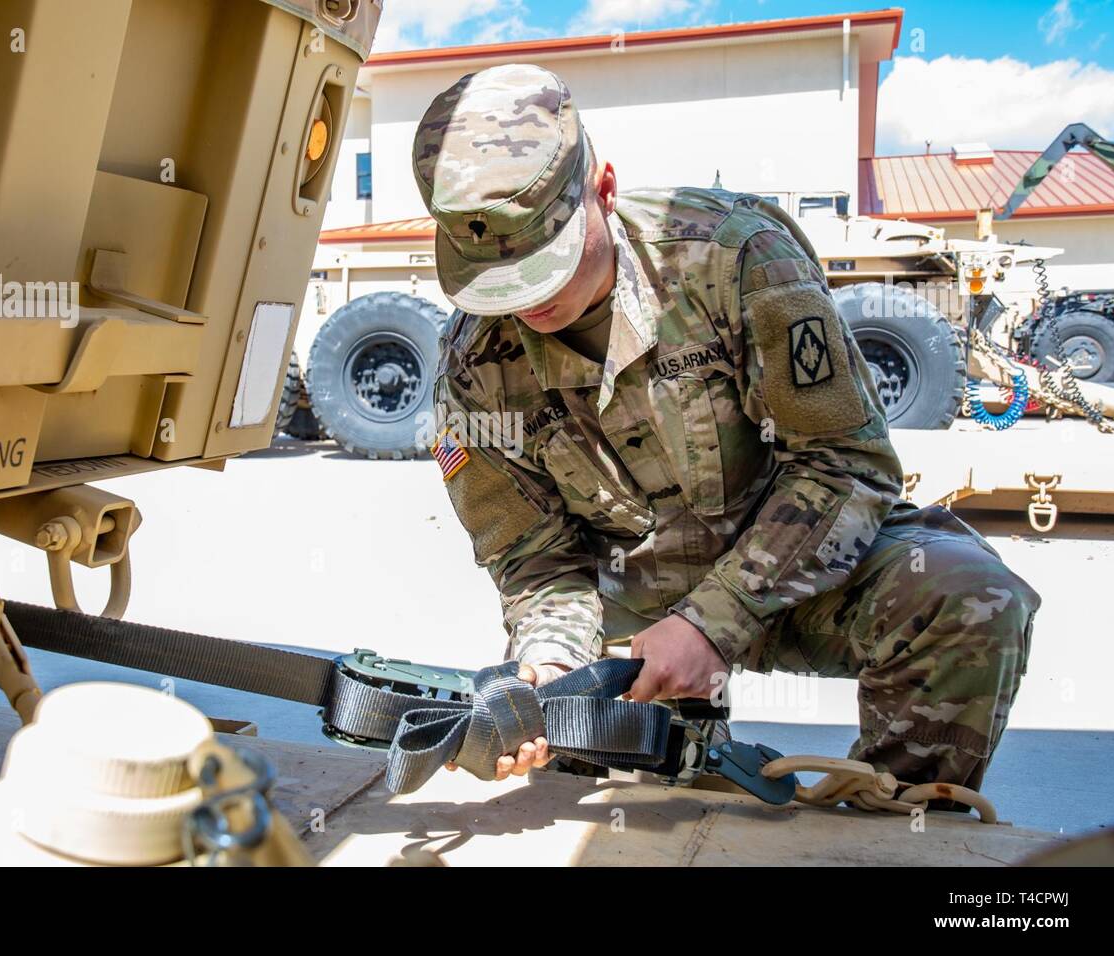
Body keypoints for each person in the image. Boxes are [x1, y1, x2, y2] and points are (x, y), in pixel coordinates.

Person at [416, 63, 1039, 800]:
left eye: (546, 261)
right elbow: (533, 556)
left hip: (788, 567)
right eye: (498, 279)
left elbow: (847, 466)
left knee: (967, 597)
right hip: (628, 610)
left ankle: (893, 832)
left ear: (604, 189)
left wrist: (715, 621)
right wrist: (551, 662)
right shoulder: (473, 366)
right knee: (612, 803)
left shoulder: (734, 259)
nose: (529, 297)